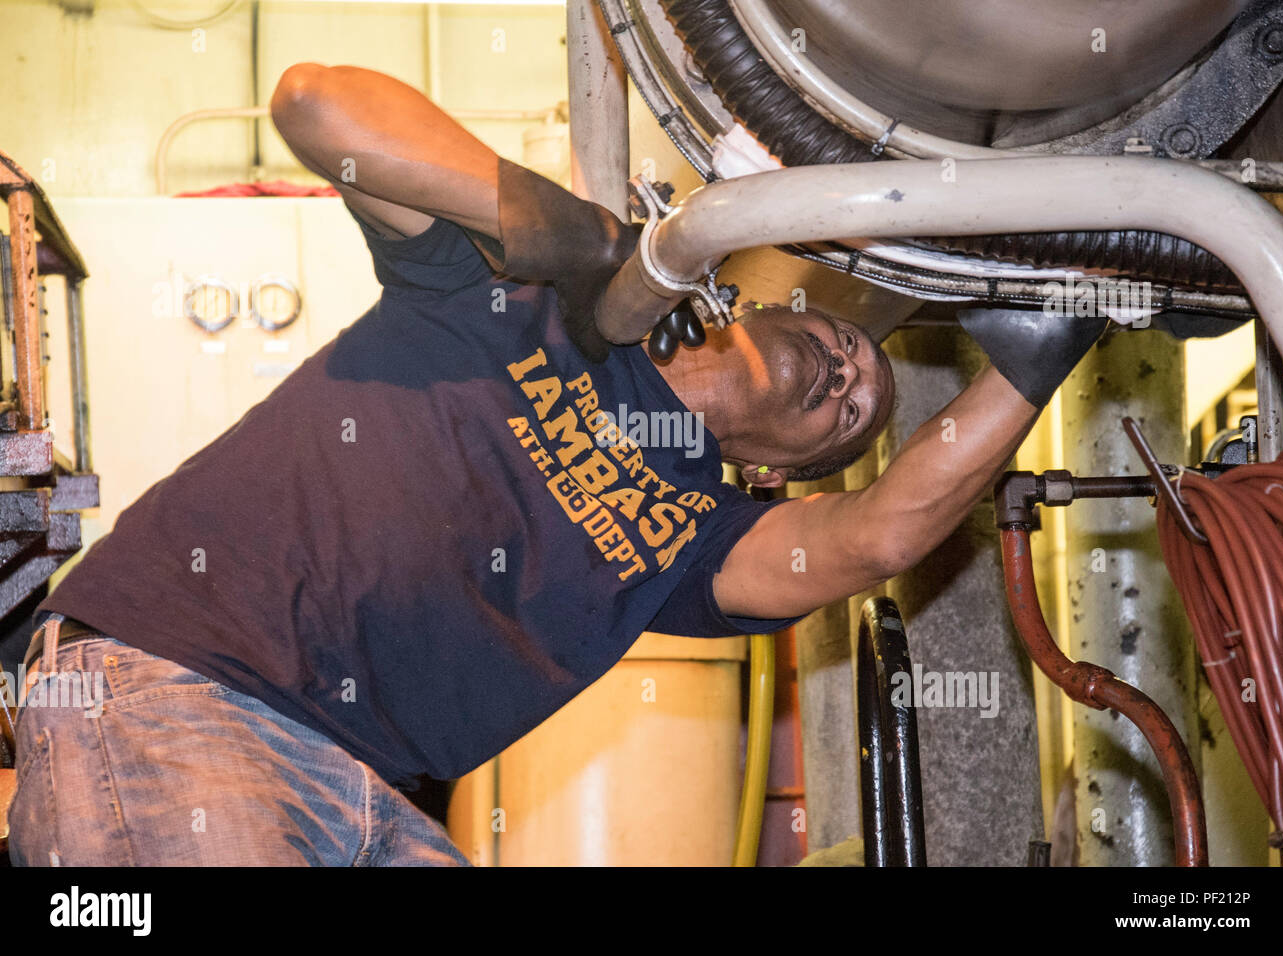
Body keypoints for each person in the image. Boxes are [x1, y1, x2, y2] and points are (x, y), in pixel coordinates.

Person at [5, 64, 1105, 866]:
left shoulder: (693, 544)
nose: (851, 378)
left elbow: (879, 536)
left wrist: (1026, 369)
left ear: (773, 473)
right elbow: (315, 105)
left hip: (363, 790)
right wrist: (574, 237)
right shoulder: (512, 299)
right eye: (841, 345)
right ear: (765, 302)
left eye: (854, 416)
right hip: (179, 691)